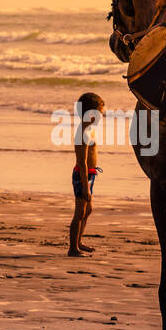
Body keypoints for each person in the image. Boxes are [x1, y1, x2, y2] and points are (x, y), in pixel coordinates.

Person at [68, 92, 104, 256]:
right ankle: (73, 248)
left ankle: (79, 242)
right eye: (100, 112)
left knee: (88, 210)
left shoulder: (89, 129)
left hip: (90, 175)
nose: (102, 116)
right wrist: (85, 186)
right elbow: (81, 161)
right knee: (80, 212)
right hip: (82, 176)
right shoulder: (83, 132)